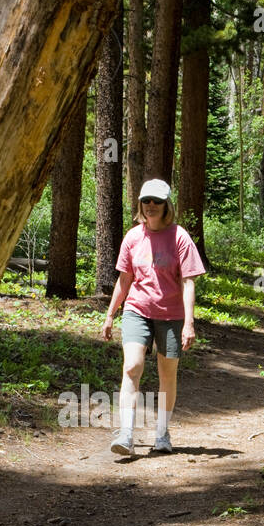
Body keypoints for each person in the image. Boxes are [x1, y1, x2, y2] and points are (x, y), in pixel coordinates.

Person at [101, 178, 206, 457]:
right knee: (132, 367)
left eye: (157, 201)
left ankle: (162, 433)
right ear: (140, 204)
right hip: (137, 310)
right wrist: (110, 315)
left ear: (166, 205)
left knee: (167, 374)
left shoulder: (179, 237)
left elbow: (188, 282)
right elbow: (124, 280)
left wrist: (189, 323)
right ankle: (126, 434)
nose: (151, 206)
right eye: (146, 201)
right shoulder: (133, 237)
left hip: (171, 315)